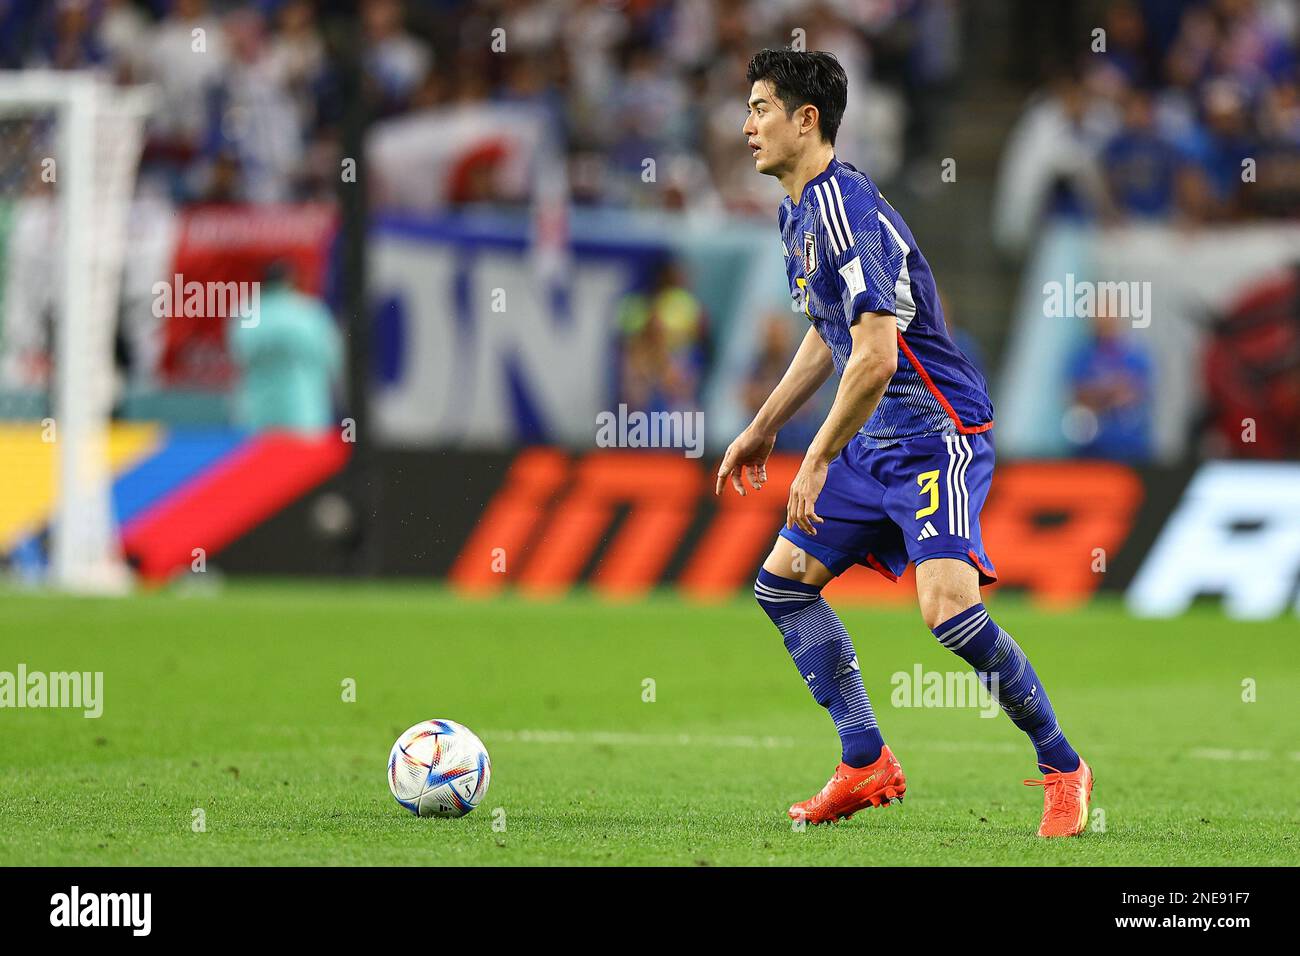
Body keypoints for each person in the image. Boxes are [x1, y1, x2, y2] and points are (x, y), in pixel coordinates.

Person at [720, 49, 1091, 836]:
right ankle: (865, 761)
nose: (747, 124)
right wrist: (764, 427)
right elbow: (832, 337)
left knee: (949, 614)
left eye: (759, 108)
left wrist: (813, 456)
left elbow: (880, 353)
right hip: (873, 441)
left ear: (805, 118)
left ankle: (1063, 765)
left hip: (934, 437)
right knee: (782, 585)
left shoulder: (846, 209)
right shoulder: (799, 211)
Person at [227, 260, 341, 434]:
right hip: (304, 416)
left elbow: (237, 356)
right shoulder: (310, 312)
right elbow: (333, 360)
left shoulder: (246, 313)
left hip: (256, 418)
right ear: (291, 281)